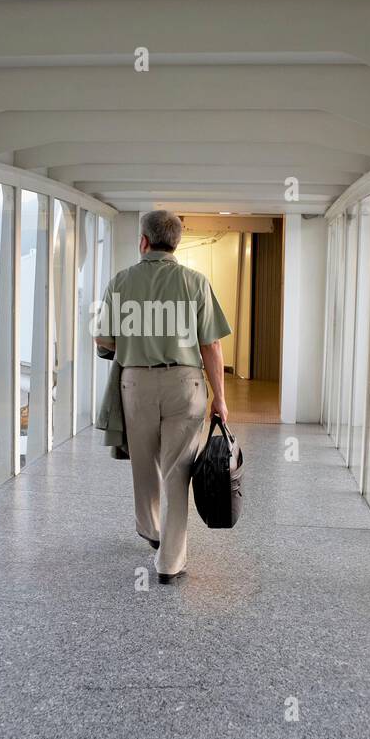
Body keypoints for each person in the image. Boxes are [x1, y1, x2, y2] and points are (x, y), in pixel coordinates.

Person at [93, 209, 231, 583]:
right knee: (177, 470)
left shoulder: (120, 282)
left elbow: (103, 341)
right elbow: (212, 345)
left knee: (144, 463)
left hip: (135, 384)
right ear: (177, 243)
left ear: (143, 241)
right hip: (185, 385)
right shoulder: (195, 282)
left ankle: (150, 529)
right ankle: (170, 563)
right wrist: (220, 397)